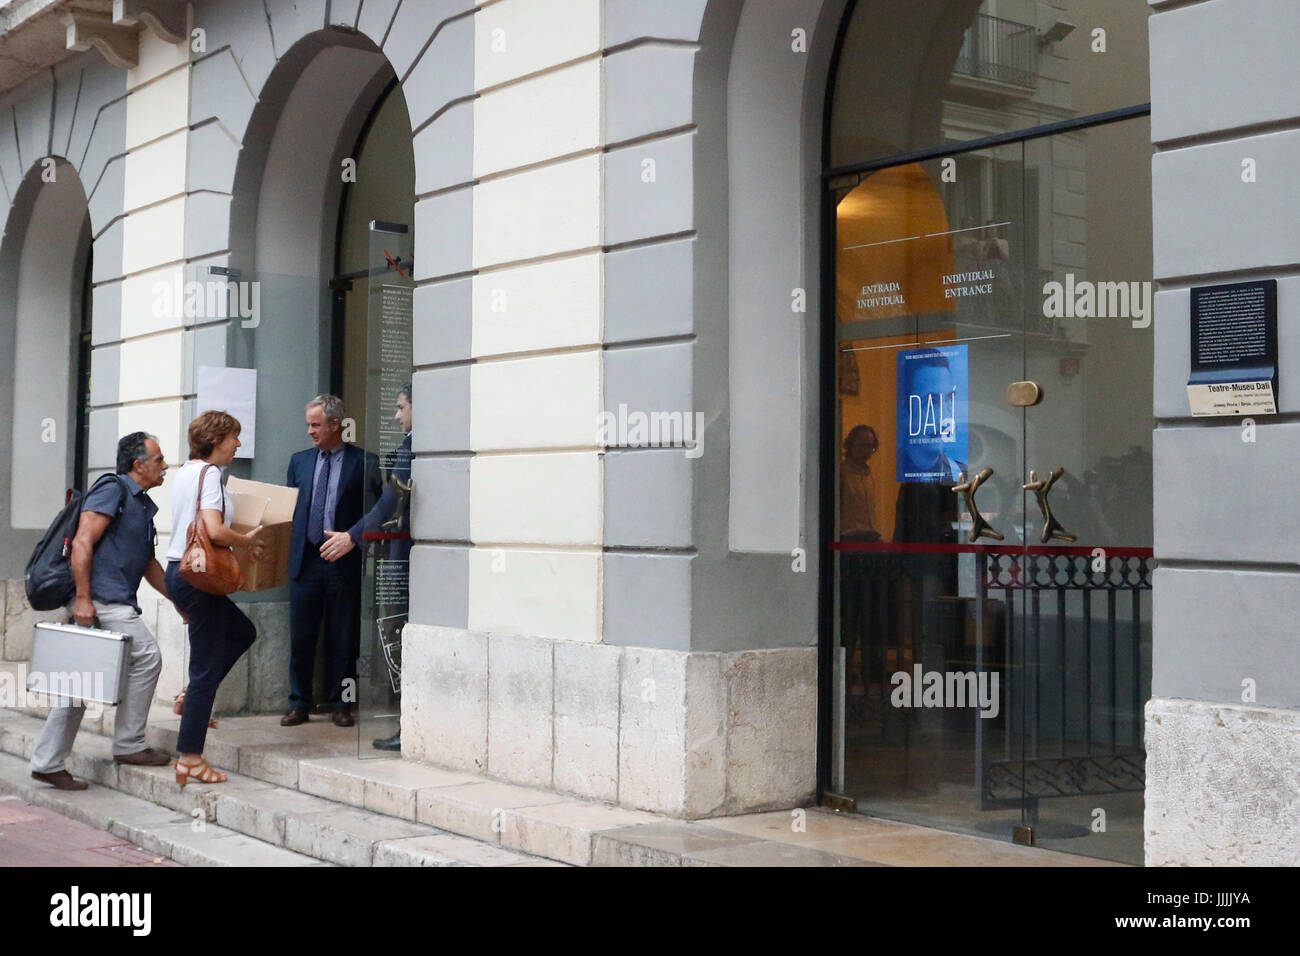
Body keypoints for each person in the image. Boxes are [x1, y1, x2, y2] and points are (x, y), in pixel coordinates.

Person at [30, 433, 180, 790]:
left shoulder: (141, 504)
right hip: (101, 599)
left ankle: (47, 761)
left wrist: (178, 599)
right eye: (158, 459)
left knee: (81, 679)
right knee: (147, 657)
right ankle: (128, 744)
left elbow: (147, 563)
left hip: (109, 598)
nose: (164, 466)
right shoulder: (112, 490)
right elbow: (82, 541)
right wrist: (84, 599)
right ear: (137, 465)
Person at [164, 412, 263, 786]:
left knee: (242, 632)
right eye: (234, 437)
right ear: (218, 438)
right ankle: (190, 757)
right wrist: (247, 541)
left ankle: (191, 699)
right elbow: (213, 528)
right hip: (198, 576)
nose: (238, 444)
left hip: (182, 571)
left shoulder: (186, 472)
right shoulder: (208, 475)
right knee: (205, 669)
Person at [320, 383, 413, 750]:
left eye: (402, 407)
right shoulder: (412, 444)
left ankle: (408, 727)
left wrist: (352, 537)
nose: (396, 415)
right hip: (399, 554)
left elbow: (389, 502)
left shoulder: (413, 446)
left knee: (398, 639)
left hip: (403, 558)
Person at [282, 395, 379, 728]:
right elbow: (288, 511)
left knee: (344, 636)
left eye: (315, 424)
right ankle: (298, 703)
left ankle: (343, 703)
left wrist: (353, 539)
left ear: (335, 425)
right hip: (305, 560)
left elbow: (376, 513)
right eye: (308, 424)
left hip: (342, 560)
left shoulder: (365, 463)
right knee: (301, 637)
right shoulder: (299, 462)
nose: (309, 430)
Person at [839, 424, 881, 543]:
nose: (865, 451)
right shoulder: (842, 474)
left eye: (869, 446)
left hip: (870, 537)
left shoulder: (869, 476)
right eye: (861, 445)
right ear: (851, 445)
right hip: (849, 539)